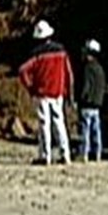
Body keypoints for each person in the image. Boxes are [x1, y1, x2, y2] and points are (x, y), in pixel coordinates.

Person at [18, 20, 74, 165]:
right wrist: (68, 90)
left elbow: (22, 70)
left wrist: (30, 87)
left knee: (44, 125)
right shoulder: (61, 51)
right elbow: (69, 73)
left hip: (42, 94)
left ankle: (45, 155)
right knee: (59, 124)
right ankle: (65, 154)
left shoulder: (37, 54)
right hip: (58, 92)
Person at [77, 39, 106, 162]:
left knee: (85, 130)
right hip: (97, 104)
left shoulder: (87, 68)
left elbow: (86, 86)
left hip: (87, 104)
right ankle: (98, 152)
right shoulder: (100, 69)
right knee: (96, 130)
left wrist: (81, 98)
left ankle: (84, 153)